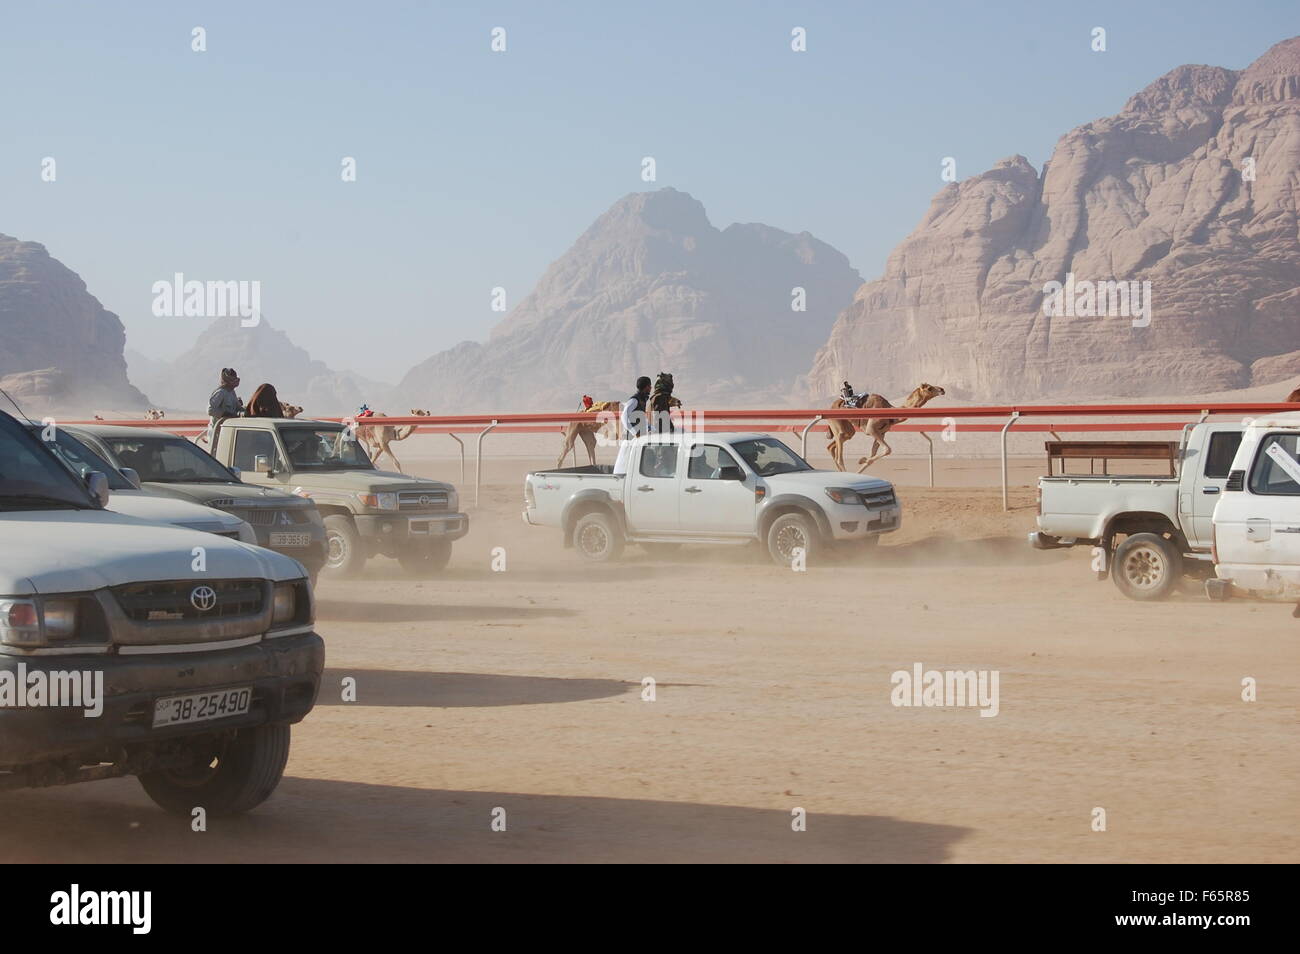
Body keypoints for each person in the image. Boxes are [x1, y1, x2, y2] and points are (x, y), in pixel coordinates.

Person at [613, 376, 652, 476]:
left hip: (641, 435)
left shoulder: (643, 399)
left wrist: (650, 427)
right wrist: (635, 433)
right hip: (632, 437)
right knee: (628, 460)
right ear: (646, 387)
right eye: (649, 386)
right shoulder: (634, 400)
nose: (651, 388)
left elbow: (642, 417)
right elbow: (624, 417)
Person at [207, 368, 242, 445]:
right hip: (216, 433)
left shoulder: (232, 392)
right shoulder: (220, 392)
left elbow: (238, 407)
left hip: (227, 431)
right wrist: (224, 414)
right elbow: (210, 410)